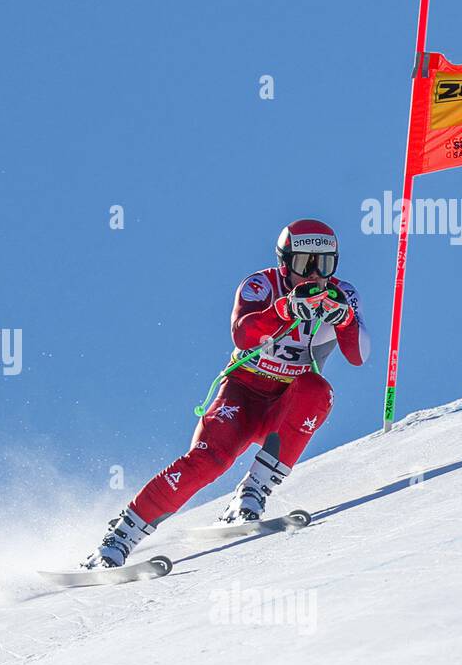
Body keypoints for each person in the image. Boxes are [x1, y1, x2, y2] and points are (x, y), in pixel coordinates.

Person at [83, 218, 371, 569]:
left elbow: (359, 356)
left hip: (285, 405)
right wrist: (283, 310)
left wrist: (345, 319)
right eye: (303, 264)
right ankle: (117, 539)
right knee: (208, 461)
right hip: (243, 394)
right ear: (284, 263)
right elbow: (243, 334)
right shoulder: (259, 285)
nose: (313, 274)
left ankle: (251, 494)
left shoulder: (344, 293)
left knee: (318, 390)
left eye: (323, 264)